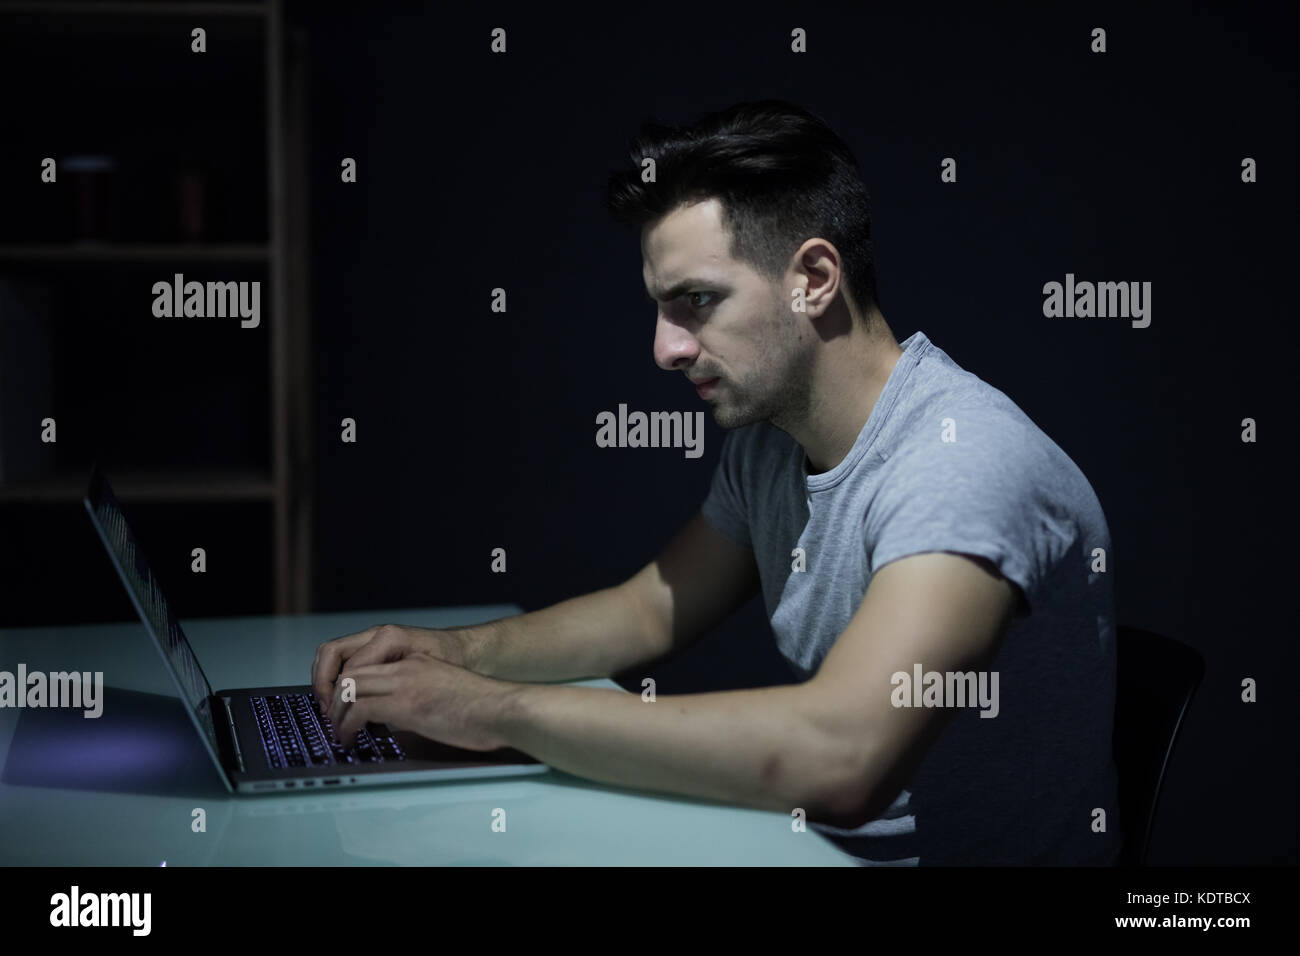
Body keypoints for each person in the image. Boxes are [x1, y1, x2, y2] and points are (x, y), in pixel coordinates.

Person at [312, 99, 1120, 866]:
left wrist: (482, 710)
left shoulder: (961, 458)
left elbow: (842, 754)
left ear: (814, 277)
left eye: (696, 302)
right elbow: (647, 610)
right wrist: (455, 653)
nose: (665, 349)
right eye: (662, 309)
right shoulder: (773, 440)